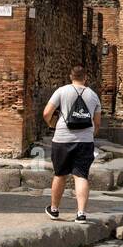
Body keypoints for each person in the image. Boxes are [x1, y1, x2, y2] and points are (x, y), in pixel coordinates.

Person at [42, 65, 102, 223]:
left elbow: (46, 113)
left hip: (62, 139)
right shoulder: (93, 95)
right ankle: (81, 213)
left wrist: (51, 124)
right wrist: (91, 135)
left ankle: (54, 209)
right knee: (81, 176)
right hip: (85, 141)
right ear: (85, 77)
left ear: (71, 76)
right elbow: (97, 122)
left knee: (60, 174)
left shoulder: (61, 91)